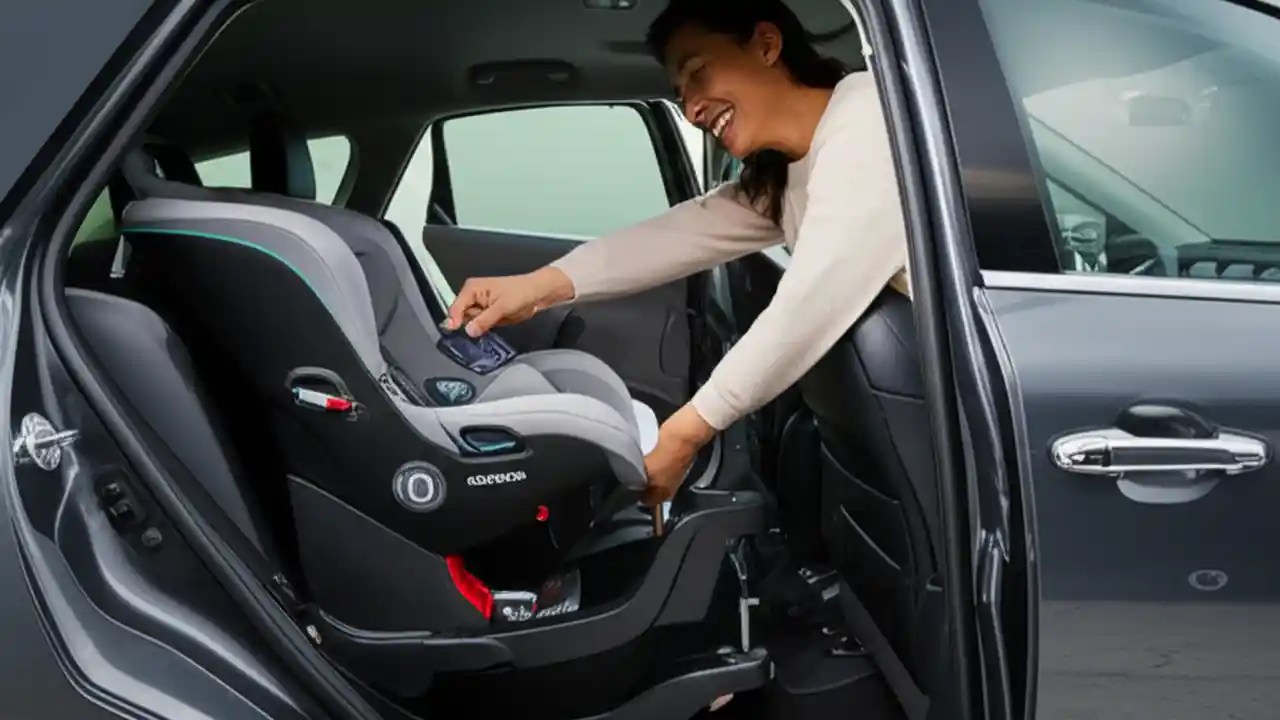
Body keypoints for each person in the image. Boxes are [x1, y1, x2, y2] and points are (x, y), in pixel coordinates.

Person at [445, 0, 910, 506]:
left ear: (767, 45)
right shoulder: (789, 171)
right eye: (681, 94)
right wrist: (534, 288)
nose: (691, 110)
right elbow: (675, 236)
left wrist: (685, 433)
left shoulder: (868, 123)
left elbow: (809, 303)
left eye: (698, 74)